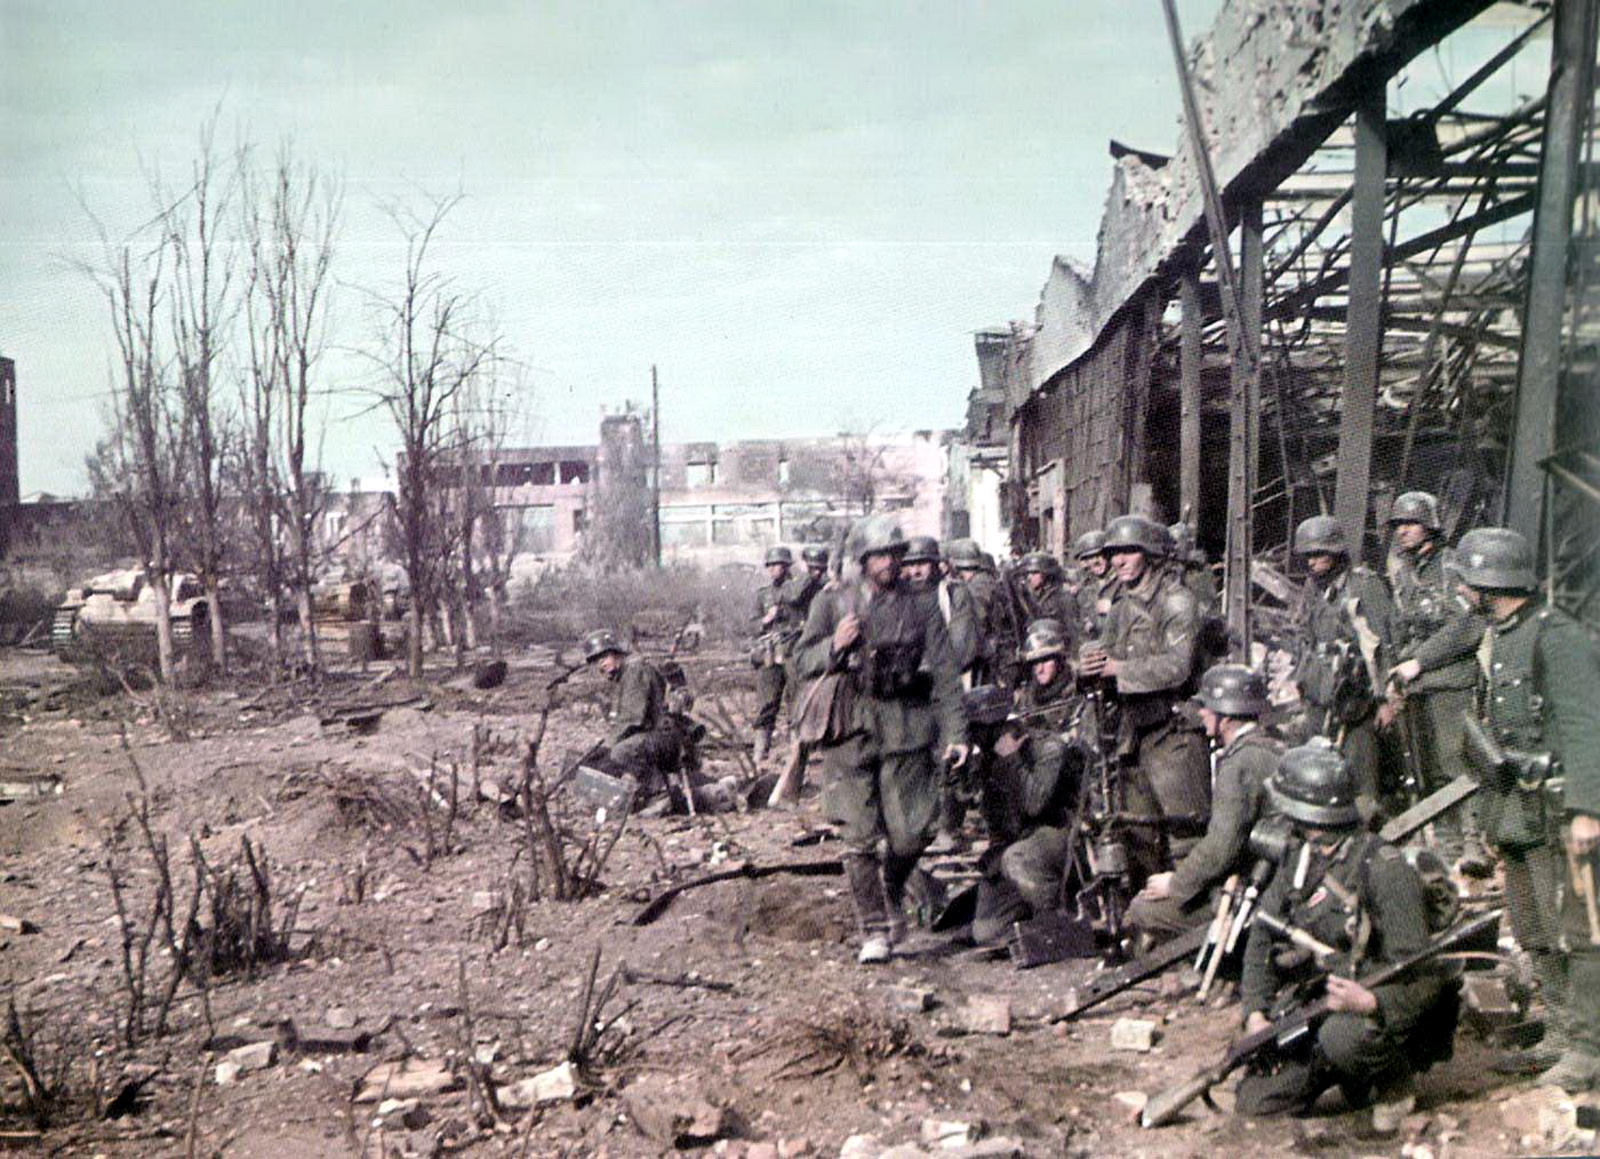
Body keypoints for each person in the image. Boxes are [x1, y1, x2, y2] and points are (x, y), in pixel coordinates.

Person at [1236, 740, 1460, 1123]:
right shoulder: (1300, 856)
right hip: (1318, 1003)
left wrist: (1372, 1002)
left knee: (1343, 1039)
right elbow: (1263, 933)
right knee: (1255, 1102)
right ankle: (1348, 1077)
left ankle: (1395, 1081)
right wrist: (1256, 1012)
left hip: (1378, 1015)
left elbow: (1422, 976)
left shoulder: (1385, 869)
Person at [1450, 528, 1600, 1091]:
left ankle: (1589, 1047)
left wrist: (1590, 809)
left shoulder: (1556, 637)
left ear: (1489, 582)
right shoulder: (1500, 636)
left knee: (1580, 930)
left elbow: (1589, 729)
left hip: (1562, 811)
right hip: (1516, 809)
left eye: (1468, 579)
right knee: (1534, 926)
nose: (1462, 589)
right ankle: (1561, 1030)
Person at [793, 514, 969, 963]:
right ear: (863, 559)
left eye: (894, 554)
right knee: (858, 837)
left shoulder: (922, 603)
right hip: (850, 728)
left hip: (905, 725)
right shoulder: (833, 603)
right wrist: (834, 644)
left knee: (913, 833)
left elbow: (946, 673)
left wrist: (956, 732)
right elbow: (802, 661)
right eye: (879, 556)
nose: (889, 563)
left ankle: (891, 886)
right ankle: (874, 928)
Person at [1079, 514, 1211, 870]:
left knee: (1185, 834)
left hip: (1173, 734)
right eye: (1114, 553)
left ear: (1150, 554)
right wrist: (1088, 664)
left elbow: (1177, 667)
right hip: (1132, 733)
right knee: (1138, 836)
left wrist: (1118, 669)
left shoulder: (1177, 601)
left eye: (1129, 552)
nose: (1118, 561)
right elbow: (1104, 652)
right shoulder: (1121, 606)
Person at [1126, 664, 1282, 942]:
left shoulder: (1239, 764)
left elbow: (1222, 845)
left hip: (1255, 894)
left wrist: (1175, 883)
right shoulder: (1272, 747)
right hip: (1275, 881)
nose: (1201, 713)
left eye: (1207, 707)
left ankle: (1223, 964)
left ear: (1227, 716)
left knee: (1143, 909)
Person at [1379, 491, 1478, 853]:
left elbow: (1466, 627)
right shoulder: (1404, 573)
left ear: (1431, 527)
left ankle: (1472, 845)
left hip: (1451, 683)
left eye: (1411, 523)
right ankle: (1445, 844)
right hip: (1417, 685)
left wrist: (1419, 661)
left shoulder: (1452, 568)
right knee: (1426, 769)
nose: (1402, 531)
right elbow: (1400, 629)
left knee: (1457, 764)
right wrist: (1395, 675)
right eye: (1399, 525)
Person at [1287, 514, 1397, 820]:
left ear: (1336, 552)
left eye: (1319, 554)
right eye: (1308, 555)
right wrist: (1301, 680)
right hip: (1318, 695)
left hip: (1356, 699)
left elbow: (1386, 644)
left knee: (1360, 779)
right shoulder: (1312, 588)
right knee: (1319, 772)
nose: (1312, 561)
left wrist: (1385, 699)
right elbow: (1303, 636)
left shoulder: (1364, 585)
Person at [966, 684, 1083, 946]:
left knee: (1016, 858)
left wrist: (1011, 761)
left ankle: (1057, 924)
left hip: (1063, 839)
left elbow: (1034, 805)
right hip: (1021, 847)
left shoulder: (1046, 748)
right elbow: (983, 819)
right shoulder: (987, 759)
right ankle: (1033, 917)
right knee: (987, 933)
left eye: (977, 730)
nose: (973, 738)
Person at [751, 545, 803, 762]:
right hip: (770, 655)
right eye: (770, 565)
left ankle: (795, 755)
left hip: (793, 653)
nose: (774, 569)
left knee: (796, 704)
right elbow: (753, 626)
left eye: (778, 565)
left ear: (787, 566)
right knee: (766, 704)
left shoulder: (799, 591)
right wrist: (766, 619)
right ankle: (760, 753)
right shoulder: (763, 595)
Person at [1070, 530, 1115, 645]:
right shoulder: (1085, 585)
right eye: (1089, 557)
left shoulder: (1122, 581)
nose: (1095, 561)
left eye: (1099, 555)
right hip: (1093, 643)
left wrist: (1112, 608)